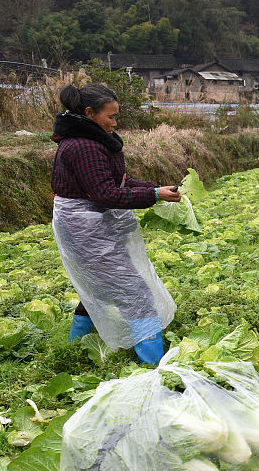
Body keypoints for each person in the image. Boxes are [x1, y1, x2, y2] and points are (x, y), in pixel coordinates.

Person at [51, 83, 182, 365]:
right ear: (89, 113)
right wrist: (153, 194)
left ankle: (76, 348)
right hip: (85, 225)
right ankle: (153, 366)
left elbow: (114, 182)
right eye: (110, 116)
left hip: (88, 222)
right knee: (133, 291)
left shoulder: (92, 139)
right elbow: (105, 194)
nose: (114, 122)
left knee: (96, 286)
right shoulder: (83, 146)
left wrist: (154, 189)